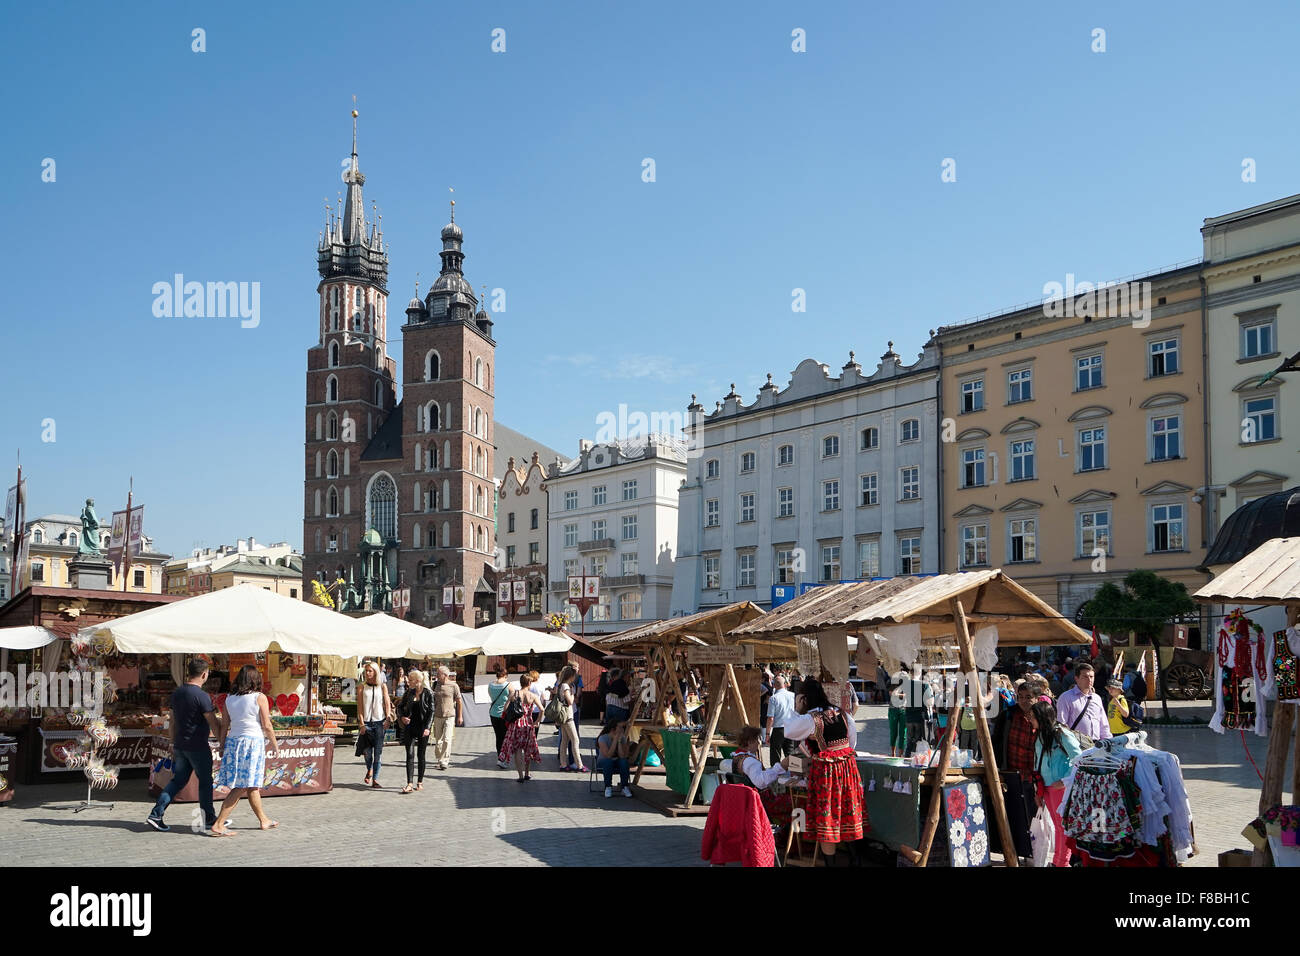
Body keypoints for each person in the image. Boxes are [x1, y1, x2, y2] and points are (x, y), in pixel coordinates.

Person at [784, 677, 866, 864]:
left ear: (804, 698)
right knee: (848, 816)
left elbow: (788, 731)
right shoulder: (843, 714)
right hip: (847, 770)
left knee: (827, 820)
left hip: (827, 775)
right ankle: (856, 861)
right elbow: (851, 743)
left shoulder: (810, 719)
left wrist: (796, 709)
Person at [147, 657, 221, 832]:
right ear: (204, 674)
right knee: (205, 782)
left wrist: (172, 743)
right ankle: (209, 819)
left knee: (178, 780)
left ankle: (156, 814)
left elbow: (172, 721)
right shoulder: (202, 696)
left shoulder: (177, 692)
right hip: (197, 746)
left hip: (180, 744)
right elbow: (212, 722)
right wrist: (222, 741)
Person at [210, 664, 281, 835]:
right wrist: (275, 744)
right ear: (255, 680)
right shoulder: (259, 697)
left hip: (234, 742)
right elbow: (267, 724)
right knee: (242, 785)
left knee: (252, 785)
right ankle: (219, 823)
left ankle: (264, 820)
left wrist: (222, 744)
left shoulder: (229, 698)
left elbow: (225, 725)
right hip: (251, 743)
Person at [1030, 698, 1083, 867]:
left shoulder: (1061, 734)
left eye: (1033, 716)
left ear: (1042, 716)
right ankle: (1059, 861)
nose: (1030, 720)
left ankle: (1061, 862)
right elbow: (1037, 762)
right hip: (1046, 786)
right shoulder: (1039, 735)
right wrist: (1038, 790)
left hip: (1060, 787)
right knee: (1058, 826)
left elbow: (1079, 758)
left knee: (1062, 828)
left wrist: (1066, 779)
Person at [396, 668, 434, 793]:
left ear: (418, 681)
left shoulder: (428, 693)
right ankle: (409, 783)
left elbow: (431, 712)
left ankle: (420, 781)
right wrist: (402, 717)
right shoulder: (409, 693)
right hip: (410, 727)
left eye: (410, 680)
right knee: (410, 754)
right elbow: (400, 707)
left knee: (421, 755)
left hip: (423, 727)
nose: (408, 682)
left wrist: (428, 727)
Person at [499, 674, 542, 781]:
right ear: (529, 683)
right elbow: (542, 709)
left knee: (518, 750)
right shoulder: (533, 696)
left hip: (516, 724)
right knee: (528, 749)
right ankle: (527, 773)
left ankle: (520, 776)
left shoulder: (514, 693)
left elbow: (505, 708)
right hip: (528, 724)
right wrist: (537, 722)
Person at [358, 660, 394, 788]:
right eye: (366, 671)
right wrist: (361, 723)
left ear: (376, 672)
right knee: (367, 752)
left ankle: (375, 779)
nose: (367, 673)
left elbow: (387, 703)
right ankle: (370, 769)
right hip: (367, 723)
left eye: (370, 671)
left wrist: (388, 718)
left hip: (379, 722)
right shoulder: (362, 686)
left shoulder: (382, 686)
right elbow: (360, 707)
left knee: (378, 752)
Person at [1056, 661, 1111, 742]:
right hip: (1077, 744)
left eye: (1091, 677)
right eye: (1085, 677)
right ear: (1076, 678)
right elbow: (1061, 725)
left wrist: (1108, 741)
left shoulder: (1097, 698)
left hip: (1097, 745)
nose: (1089, 680)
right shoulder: (1066, 697)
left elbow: (1103, 724)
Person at [555, 664, 587, 772]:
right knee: (575, 740)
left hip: (563, 717)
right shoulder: (566, 686)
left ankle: (563, 764)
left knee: (564, 740)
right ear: (571, 676)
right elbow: (570, 701)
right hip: (568, 716)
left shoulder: (561, 684)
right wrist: (573, 694)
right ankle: (580, 765)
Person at [431, 666, 463, 771]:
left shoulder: (454, 686)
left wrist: (460, 716)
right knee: (438, 740)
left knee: (447, 739)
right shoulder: (436, 685)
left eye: (438, 674)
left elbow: (459, 701)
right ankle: (440, 759)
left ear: (445, 675)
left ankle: (444, 761)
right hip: (438, 715)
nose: (437, 675)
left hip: (449, 715)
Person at [595, 717, 634, 797]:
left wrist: (619, 741)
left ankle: (624, 787)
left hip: (617, 761)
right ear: (613, 729)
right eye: (620, 728)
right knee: (608, 761)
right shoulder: (602, 738)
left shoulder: (622, 738)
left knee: (623, 761)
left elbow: (622, 756)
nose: (622, 730)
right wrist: (615, 740)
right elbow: (608, 755)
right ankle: (608, 787)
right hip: (603, 762)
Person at [765, 674, 797, 764]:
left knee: (775, 754)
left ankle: (776, 774)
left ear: (774, 685)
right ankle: (794, 771)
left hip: (779, 728)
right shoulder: (793, 695)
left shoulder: (773, 698)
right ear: (785, 684)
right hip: (790, 726)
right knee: (790, 752)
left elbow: (770, 717)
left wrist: (767, 733)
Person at [487, 665, 513, 767]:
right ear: (505, 675)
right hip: (504, 714)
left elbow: (491, 696)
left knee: (498, 737)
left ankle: (500, 757)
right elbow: (513, 697)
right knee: (505, 737)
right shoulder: (508, 685)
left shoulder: (490, 685)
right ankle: (503, 758)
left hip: (493, 713)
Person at [887, 672, 908, 757]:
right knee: (893, 732)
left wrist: (898, 695)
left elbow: (906, 695)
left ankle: (900, 753)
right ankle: (893, 753)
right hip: (893, 709)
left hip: (903, 710)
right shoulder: (892, 683)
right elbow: (891, 693)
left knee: (903, 733)